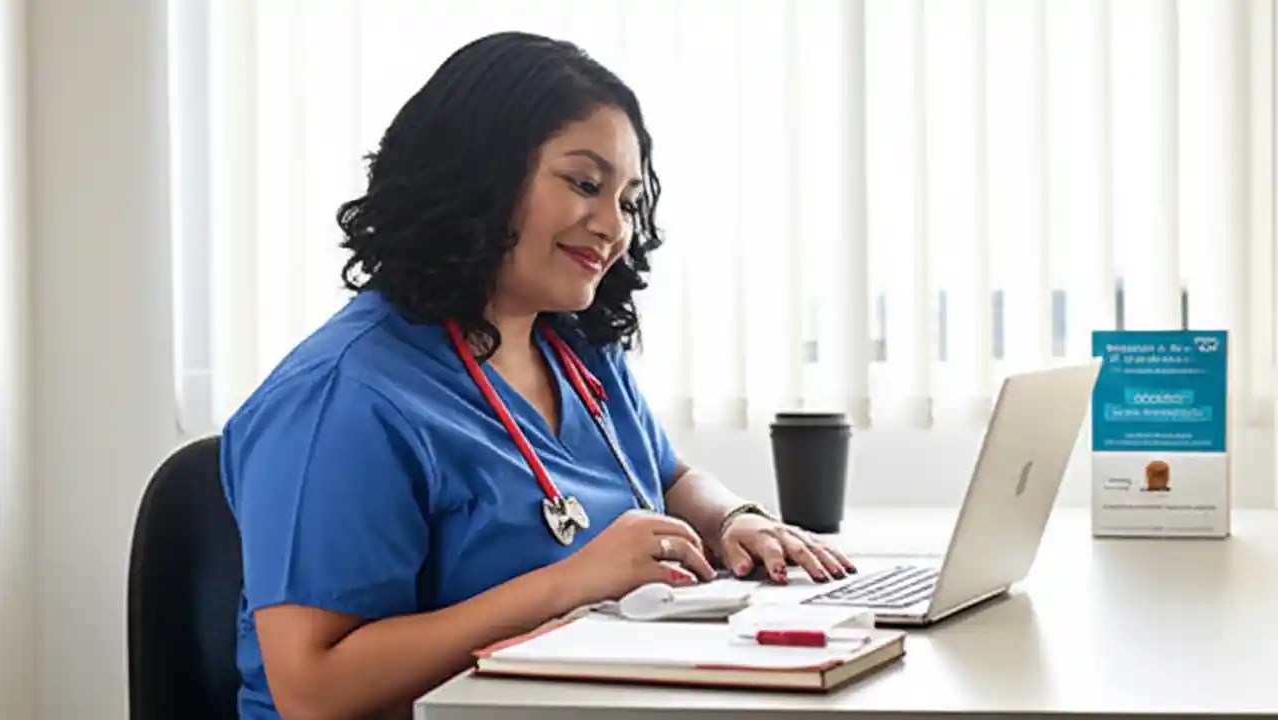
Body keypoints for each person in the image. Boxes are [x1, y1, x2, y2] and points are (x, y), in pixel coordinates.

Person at [219, 31, 856, 720]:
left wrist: (734, 518)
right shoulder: (343, 398)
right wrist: (569, 585)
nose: (614, 226)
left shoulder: (575, 350)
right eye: (585, 184)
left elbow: (666, 479)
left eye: (629, 200)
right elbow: (314, 690)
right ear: (478, 174)